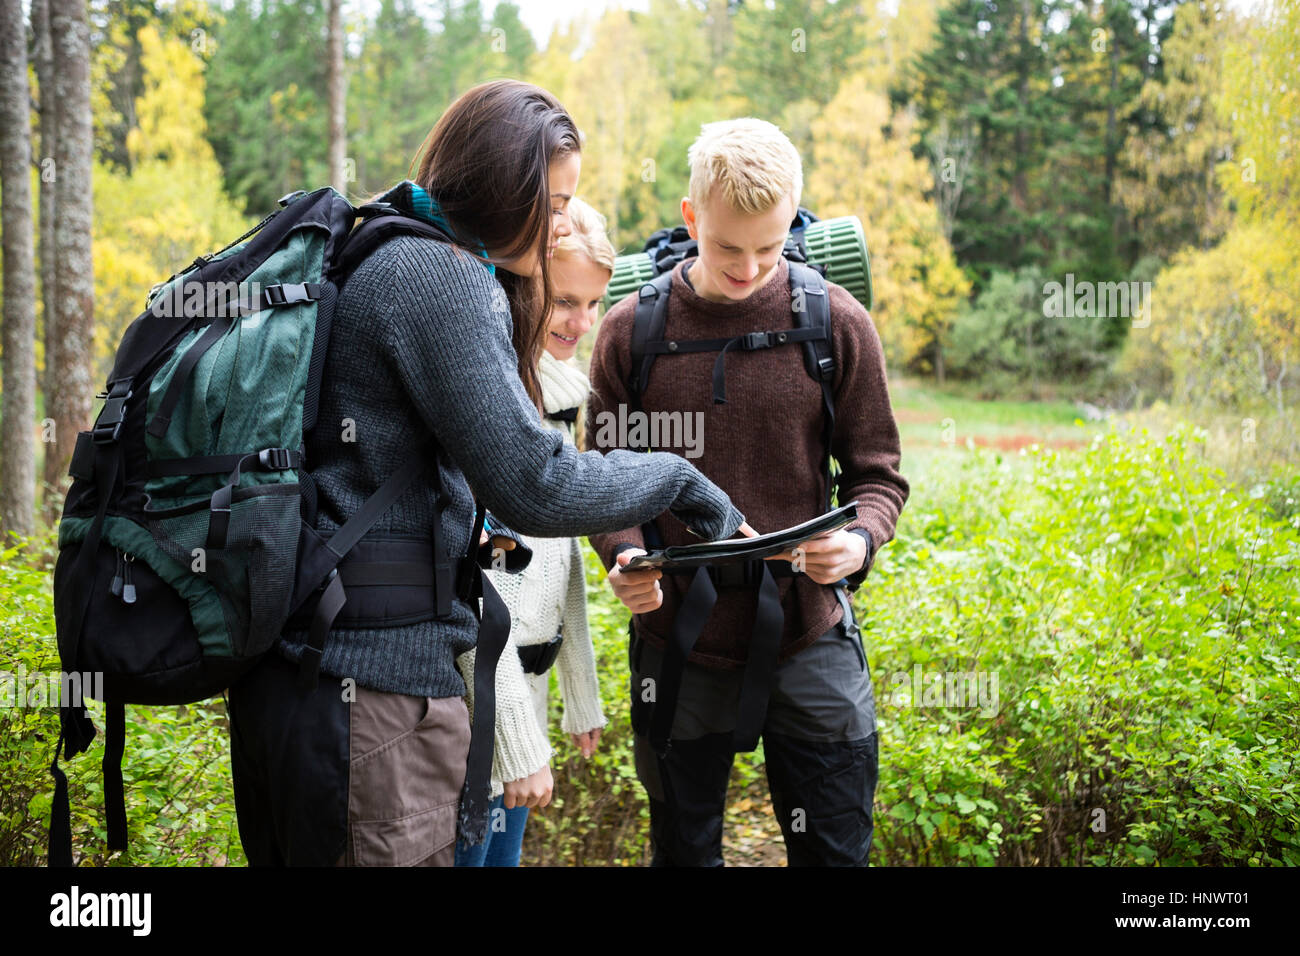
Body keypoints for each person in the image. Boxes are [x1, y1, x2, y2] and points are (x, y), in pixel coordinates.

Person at [225, 81, 748, 868]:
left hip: (303, 682)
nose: (567, 218)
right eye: (559, 198)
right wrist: (680, 480)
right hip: (371, 698)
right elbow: (534, 486)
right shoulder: (439, 277)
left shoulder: (379, 246)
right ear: (507, 186)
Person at [585, 118, 909, 866]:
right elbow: (601, 478)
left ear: (793, 218)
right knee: (685, 852)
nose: (750, 267)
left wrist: (858, 541)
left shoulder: (835, 323)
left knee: (833, 850)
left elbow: (877, 474)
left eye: (770, 246)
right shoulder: (631, 334)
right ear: (692, 215)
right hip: (679, 640)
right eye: (729, 246)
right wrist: (626, 554)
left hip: (809, 629)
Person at [454, 197, 616, 867]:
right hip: (480, 715)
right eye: (565, 301)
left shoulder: (556, 400)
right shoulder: (493, 406)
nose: (581, 322)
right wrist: (515, 742)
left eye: (594, 304)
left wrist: (580, 692)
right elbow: (470, 589)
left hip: (525, 705)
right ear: (522, 288)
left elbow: (557, 566)